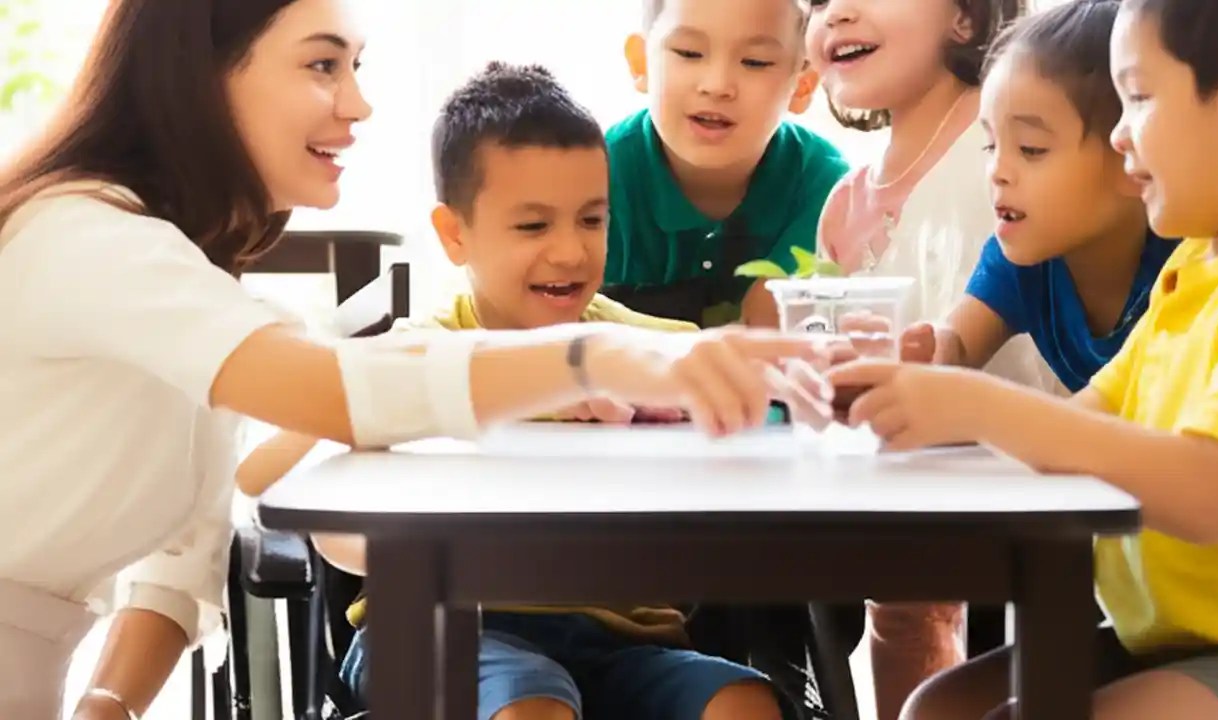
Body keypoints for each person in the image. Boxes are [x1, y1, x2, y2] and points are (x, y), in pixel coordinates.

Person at [0, 2, 839, 718]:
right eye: (324, 64)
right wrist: (596, 356)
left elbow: (175, 562)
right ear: (205, 72)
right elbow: (334, 392)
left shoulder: (186, 275)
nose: (359, 102)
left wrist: (105, 705)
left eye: (356, 64)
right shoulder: (90, 239)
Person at [833, 0, 1218, 717]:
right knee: (936, 709)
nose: (1122, 138)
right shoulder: (1197, 266)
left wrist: (981, 405)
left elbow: (1211, 493)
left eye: (1137, 99)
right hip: (1162, 636)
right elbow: (1086, 418)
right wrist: (925, 402)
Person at [803, 0, 1054, 716]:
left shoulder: (1001, 144)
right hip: (913, 483)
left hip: (1027, 473)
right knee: (902, 606)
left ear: (967, 20)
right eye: (818, 2)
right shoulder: (844, 201)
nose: (837, 12)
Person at [912, 0, 1176, 392]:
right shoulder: (1021, 260)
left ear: (1130, 154)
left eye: (1031, 149)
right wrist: (931, 348)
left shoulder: (1187, 260)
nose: (997, 171)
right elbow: (960, 343)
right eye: (990, 146)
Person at [602, 0, 850, 329]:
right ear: (641, 62)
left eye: (755, 62)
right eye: (689, 53)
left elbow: (778, 339)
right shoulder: (595, 179)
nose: (717, 85)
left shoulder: (830, 192)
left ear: (802, 86)